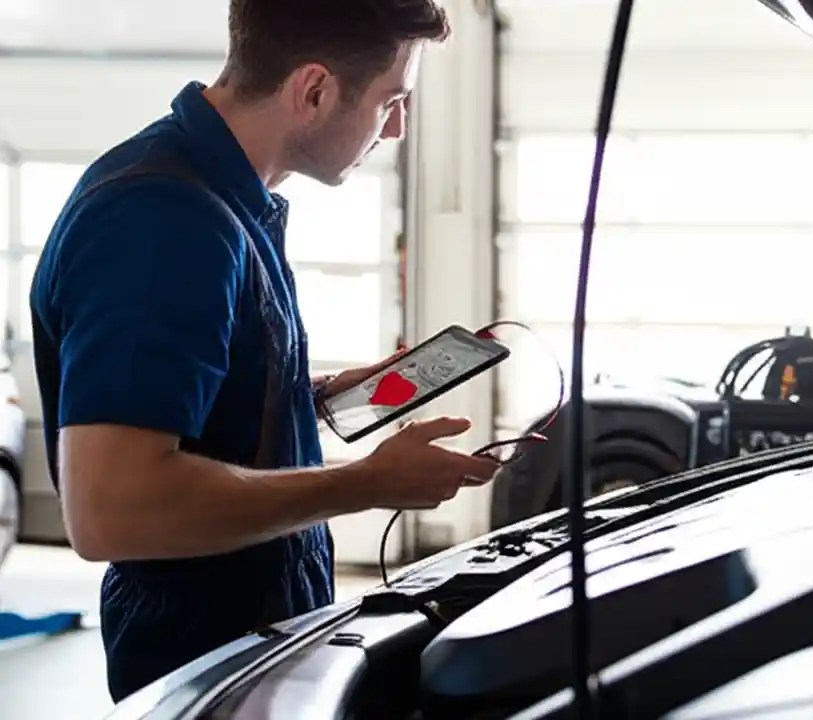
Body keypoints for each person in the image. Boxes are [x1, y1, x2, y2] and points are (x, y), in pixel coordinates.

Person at [27, 0, 499, 702]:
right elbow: (111, 509)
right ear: (313, 90)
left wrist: (306, 397)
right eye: (391, 101)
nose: (397, 127)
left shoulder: (225, 201)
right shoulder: (164, 220)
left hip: (258, 629)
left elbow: (194, 404)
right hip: (205, 653)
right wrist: (366, 483)